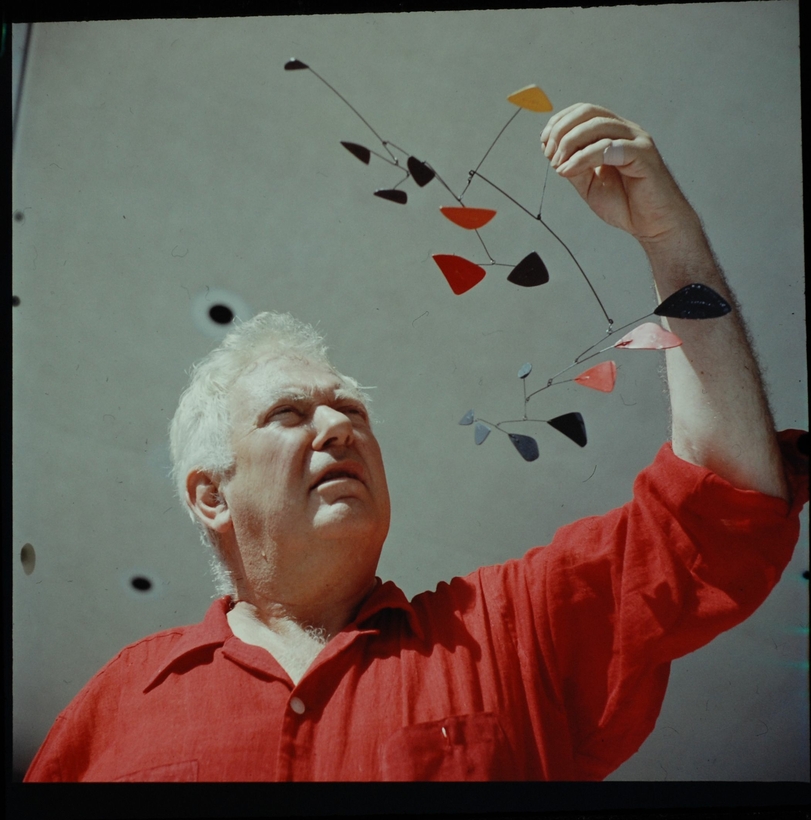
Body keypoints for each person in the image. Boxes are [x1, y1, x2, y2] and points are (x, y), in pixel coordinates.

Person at [25, 104, 807, 782]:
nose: (338, 426)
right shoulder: (114, 704)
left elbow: (722, 503)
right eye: (290, 416)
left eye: (352, 414)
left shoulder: (512, 628)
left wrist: (667, 236)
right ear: (209, 493)